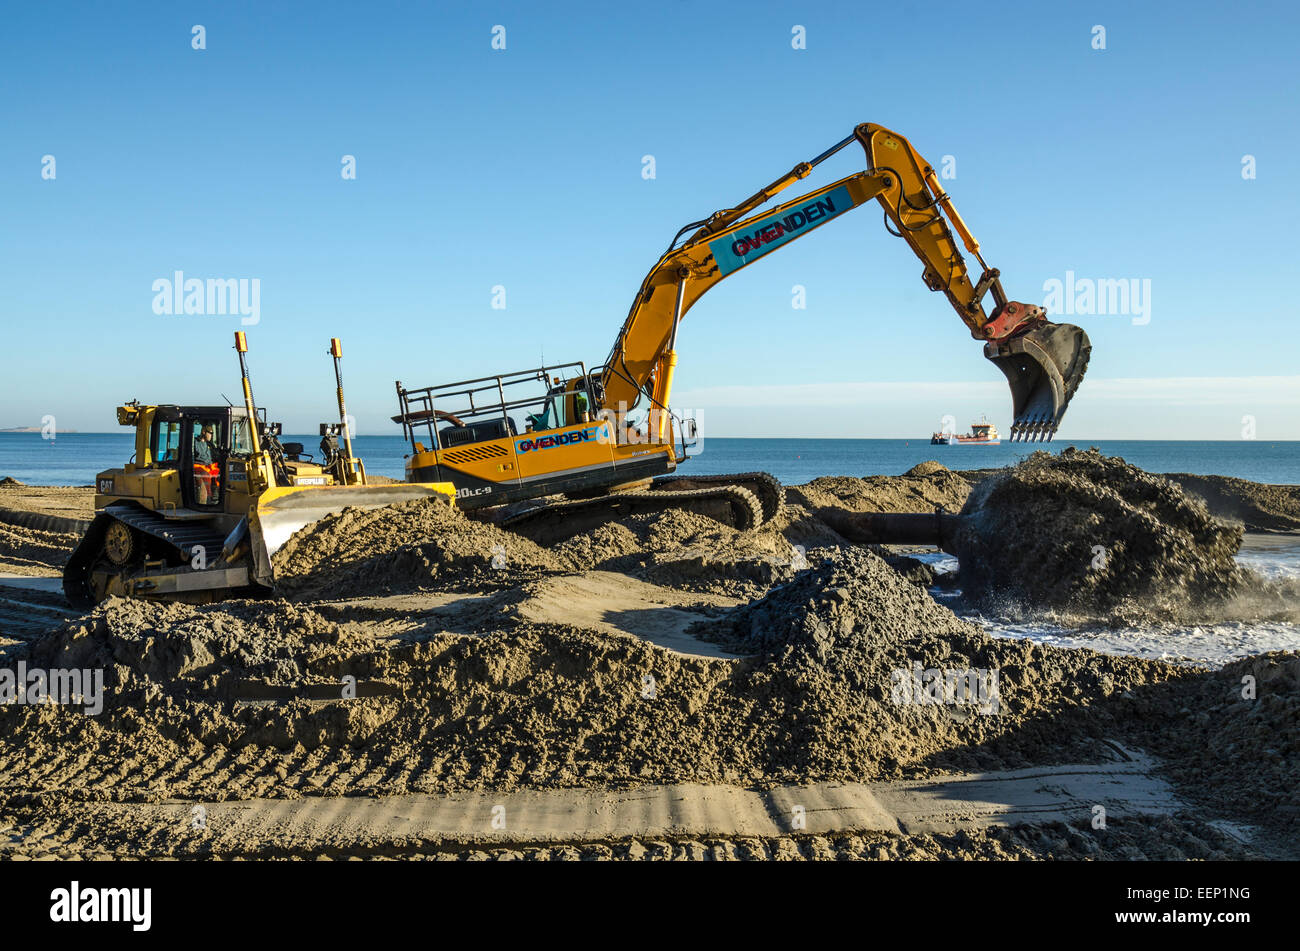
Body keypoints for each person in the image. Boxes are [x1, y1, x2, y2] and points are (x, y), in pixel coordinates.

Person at [193, 422, 220, 504]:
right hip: (200, 467)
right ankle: (206, 500)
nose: (211, 435)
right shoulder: (195, 443)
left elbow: (216, 456)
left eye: (212, 433)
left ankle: (217, 497)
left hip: (210, 466)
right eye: (210, 433)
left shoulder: (210, 444)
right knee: (206, 475)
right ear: (204, 432)